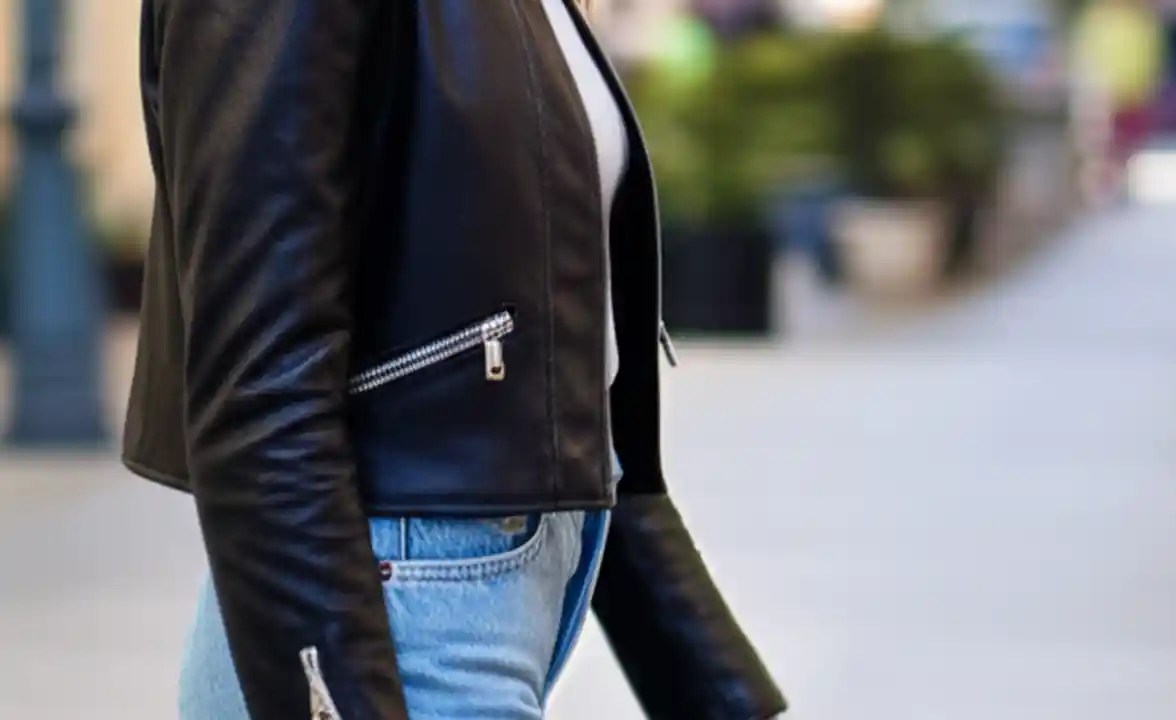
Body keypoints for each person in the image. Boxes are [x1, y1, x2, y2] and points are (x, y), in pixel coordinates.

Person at [122, 0, 787, 718]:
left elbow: (553, 360)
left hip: (486, 587)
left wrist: (715, 686)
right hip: (384, 607)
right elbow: (260, 376)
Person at [1073, 0, 1167, 201]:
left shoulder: (1144, 18)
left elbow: (1153, 54)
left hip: (1135, 93)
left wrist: (1149, 84)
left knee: (1128, 143)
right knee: (1101, 145)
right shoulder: (1100, 15)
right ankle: (1097, 191)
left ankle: (1120, 185)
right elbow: (1087, 53)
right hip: (1105, 93)